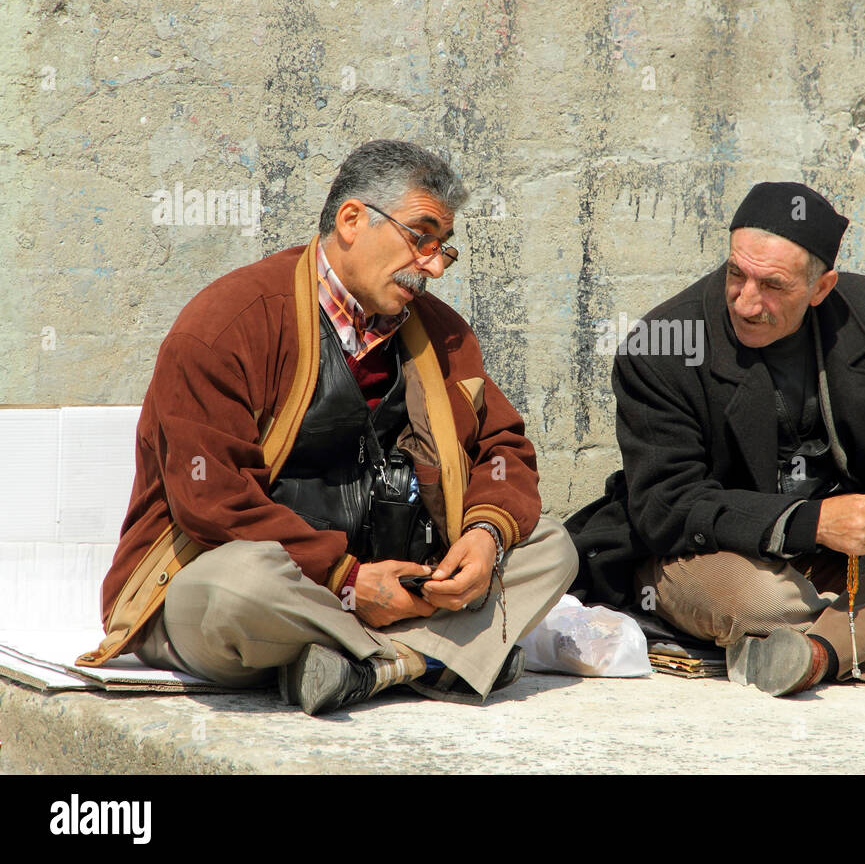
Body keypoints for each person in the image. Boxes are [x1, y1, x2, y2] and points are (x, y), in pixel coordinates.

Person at [81, 140, 577, 715]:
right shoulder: (229, 324)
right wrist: (348, 581)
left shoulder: (443, 335)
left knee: (549, 545)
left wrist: (483, 536)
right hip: (257, 584)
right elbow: (211, 499)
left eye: (445, 250)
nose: (435, 266)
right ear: (351, 220)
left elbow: (503, 447)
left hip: (397, 585)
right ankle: (428, 659)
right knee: (243, 583)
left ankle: (352, 667)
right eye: (421, 238)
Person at [569, 181, 865, 697]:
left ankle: (813, 656)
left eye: (773, 286)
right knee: (761, 602)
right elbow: (667, 505)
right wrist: (812, 523)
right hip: (717, 553)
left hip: (855, 549)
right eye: (736, 275)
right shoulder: (661, 348)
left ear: (821, 288)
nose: (745, 302)